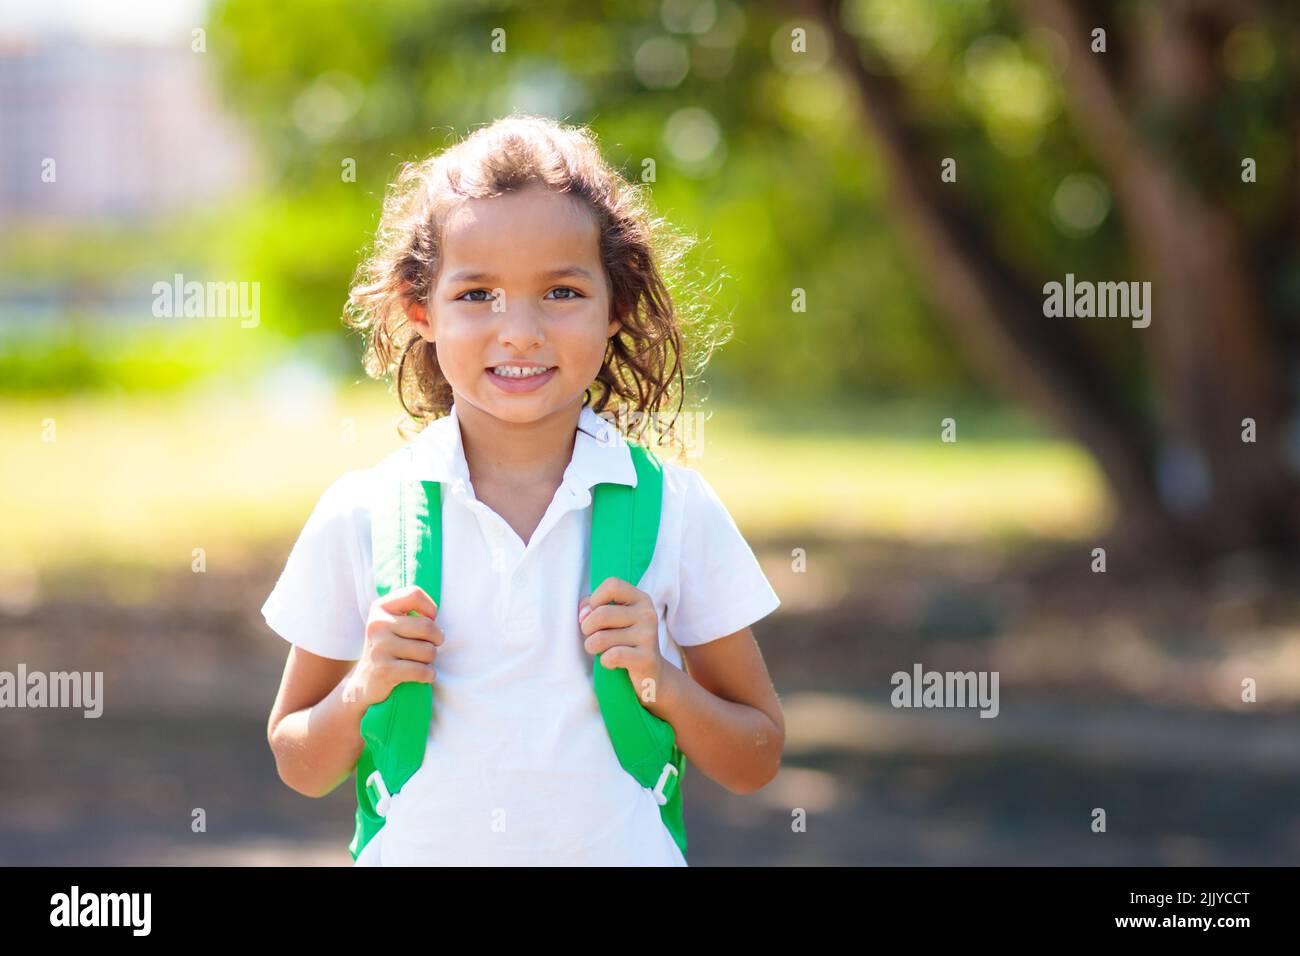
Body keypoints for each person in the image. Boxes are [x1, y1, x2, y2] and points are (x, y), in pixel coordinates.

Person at [262, 114, 784, 866]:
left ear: (616, 307)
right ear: (422, 309)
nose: (520, 331)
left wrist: (661, 681)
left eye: (563, 292)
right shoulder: (362, 514)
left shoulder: (674, 509)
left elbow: (756, 755)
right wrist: (363, 687)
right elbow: (299, 762)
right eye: (476, 295)